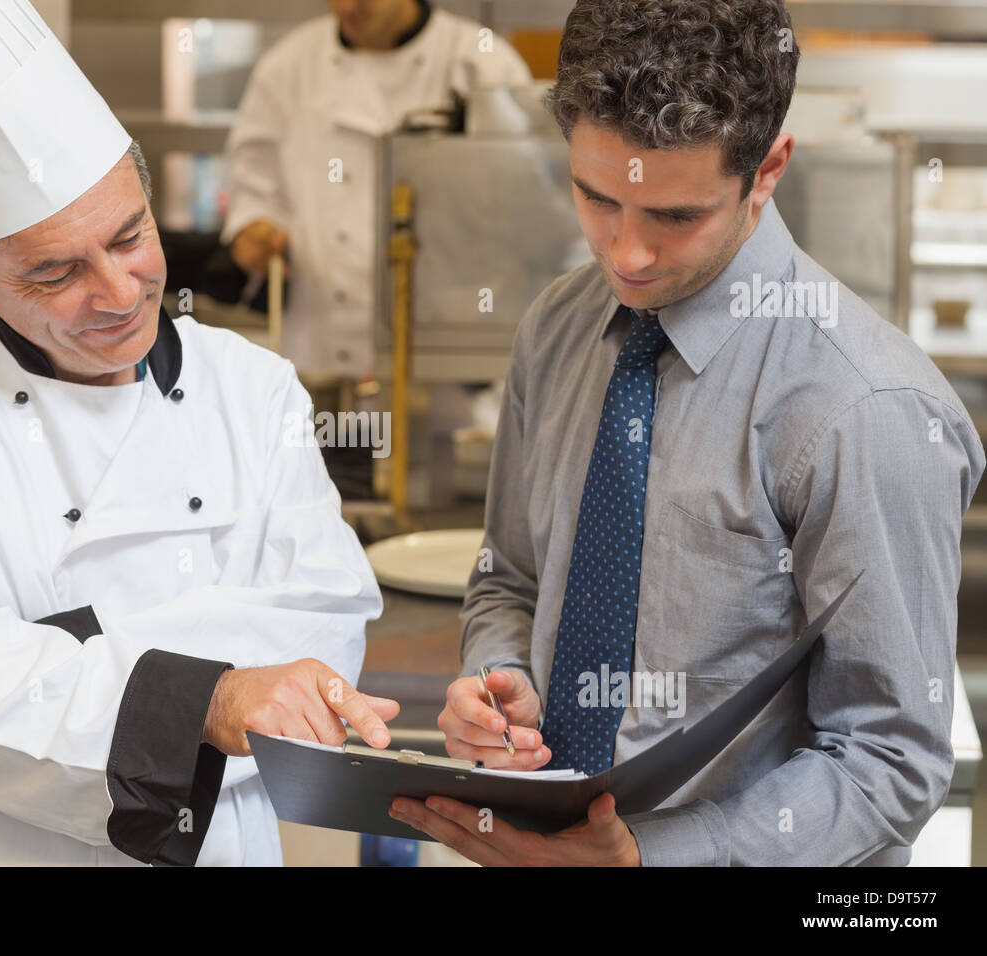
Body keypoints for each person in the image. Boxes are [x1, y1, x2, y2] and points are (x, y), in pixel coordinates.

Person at [0, 0, 396, 867]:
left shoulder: (255, 391)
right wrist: (208, 700)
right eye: (57, 270)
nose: (117, 293)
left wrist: (39, 651)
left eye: (130, 236)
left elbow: (324, 637)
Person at [389, 0, 985, 865]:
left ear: (768, 167)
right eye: (596, 198)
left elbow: (890, 758)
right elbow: (509, 577)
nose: (626, 255)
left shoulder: (866, 408)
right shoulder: (557, 328)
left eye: (675, 217)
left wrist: (648, 859)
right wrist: (502, 679)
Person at [221, 0, 531, 378]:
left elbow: (529, 210)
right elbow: (254, 189)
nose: (346, 6)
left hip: (446, 363)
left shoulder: (482, 63)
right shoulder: (287, 66)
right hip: (319, 348)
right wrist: (252, 233)